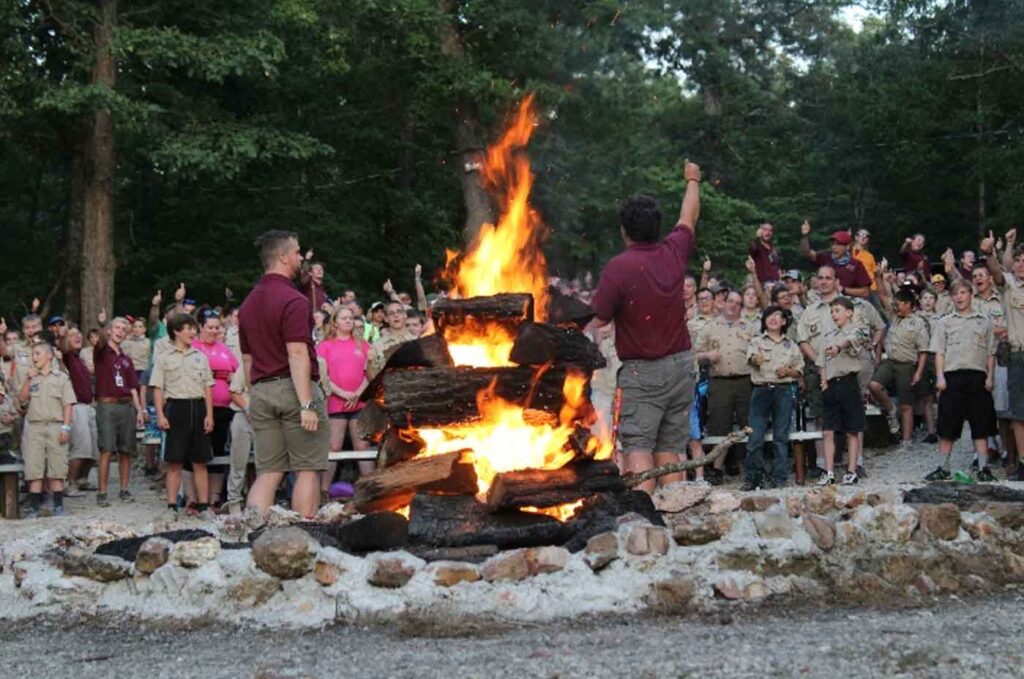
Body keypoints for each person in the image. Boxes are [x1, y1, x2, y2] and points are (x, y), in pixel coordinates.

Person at [590, 160, 701, 494]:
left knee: (638, 444)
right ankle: (675, 509)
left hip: (643, 373)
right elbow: (689, 216)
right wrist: (693, 180)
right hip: (682, 365)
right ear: (657, 227)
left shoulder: (619, 268)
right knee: (670, 445)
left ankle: (644, 516)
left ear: (624, 230)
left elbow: (599, 317)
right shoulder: (674, 252)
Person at [238, 230, 329, 518]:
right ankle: (304, 536)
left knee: (269, 471)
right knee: (307, 469)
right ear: (283, 256)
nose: (300, 257)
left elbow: (247, 357)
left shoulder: (248, 303)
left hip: (262, 391)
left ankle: (251, 532)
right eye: (298, 252)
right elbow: (297, 353)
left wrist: (254, 398)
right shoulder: (294, 300)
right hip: (294, 390)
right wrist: (306, 404)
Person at [925, 281, 997, 481]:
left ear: (970, 295)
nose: (959, 297)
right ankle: (942, 466)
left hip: (977, 376)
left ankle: (983, 468)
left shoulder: (984, 321)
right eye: (955, 294)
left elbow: (990, 352)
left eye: (963, 292)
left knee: (980, 424)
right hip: (952, 376)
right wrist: (940, 376)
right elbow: (939, 351)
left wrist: (990, 376)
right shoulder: (945, 322)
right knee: (948, 425)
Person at [150, 312, 215, 520]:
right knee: (175, 461)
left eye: (193, 328)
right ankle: (171, 507)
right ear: (177, 331)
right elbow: (158, 388)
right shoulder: (164, 358)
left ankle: (204, 506)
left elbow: (207, 387)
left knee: (200, 461)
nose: (192, 332)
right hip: (176, 408)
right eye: (188, 328)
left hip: (198, 407)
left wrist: (209, 415)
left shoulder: (200, 357)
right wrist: (160, 414)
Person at [694, 290, 754, 484]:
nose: (733, 305)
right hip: (719, 382)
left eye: (737, 302)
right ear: (723, 303)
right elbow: (694, 353)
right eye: (730, 301)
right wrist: (707, 355)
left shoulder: (750, 327)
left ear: (741, 306)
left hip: (746, 381)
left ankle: (751, 468)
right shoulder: (710, 327)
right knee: (720, 425)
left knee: (749, 425)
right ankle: (717, 469)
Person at [743, 306, 803, 490]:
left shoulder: (791, 345)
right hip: (761, 391)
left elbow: (798, 371)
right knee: (755, 437)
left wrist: (788, 371)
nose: (773, 319)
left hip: (783, 391)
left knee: (781, 438)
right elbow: (752, 358)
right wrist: (756, 359)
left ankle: (779, 478)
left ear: (784, 322)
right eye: (769, 315)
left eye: (778, 316)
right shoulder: (756, 342)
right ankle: (752, 479)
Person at [316, 306, 373, 491]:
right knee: (333, 447)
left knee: (362, 446)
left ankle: (372, 490)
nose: (348, 321)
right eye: (344, 318)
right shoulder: (324, 346)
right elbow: (323, 377)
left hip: (360, 400)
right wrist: (343, 393)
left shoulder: (362, 344)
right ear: (335, 322)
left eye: (350, 318)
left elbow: (369, 372)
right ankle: (323, 491)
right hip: (335, 401)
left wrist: (358, 393)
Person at [18, 342, 76, 518]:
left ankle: (58, 506)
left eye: (37, 353)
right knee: (34, 467)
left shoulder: (61, 378)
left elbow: (67, 405)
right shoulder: (31, 377)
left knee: (57, 466)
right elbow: (21, 400)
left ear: (49, 356)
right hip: (35, 426)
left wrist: (66, 427)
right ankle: (34, 507)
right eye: (33, 354)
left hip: (55, 426)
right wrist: (28, 379)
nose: (34, 357)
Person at [93, 313, 145, 506]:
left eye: (124, 330)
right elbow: (98, 341)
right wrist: (101, 323)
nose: (120, 332)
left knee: (126, 450)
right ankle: (102, 492)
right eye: (117, 328)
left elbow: (133, 386)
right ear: (109, 331)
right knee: (107, 449)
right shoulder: (101, 352)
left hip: (126, 405)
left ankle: (124, 489)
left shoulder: (126, 359)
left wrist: (139, 409)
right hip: (107, 404)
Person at [984, 229, 1024, 480]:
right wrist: (989, 253)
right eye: (1018, 260)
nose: (1021, 264)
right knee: (1019, 413)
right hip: (1019, 355)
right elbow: (996, 274)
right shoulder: (1010, 285)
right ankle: (1022, 462)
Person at [817, 297, 869, 486]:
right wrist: (823, 381)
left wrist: (839, 347)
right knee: (828, 430)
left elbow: (852, 341)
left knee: (851, 430)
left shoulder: (856, 330)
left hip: (848, 383)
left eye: (837, 310)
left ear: (849, 312)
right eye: (832, 311)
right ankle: (829, 472)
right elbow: (821, 361)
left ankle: (851, 471)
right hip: (831, 385)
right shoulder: (826, 334)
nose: (834, 314)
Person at [869, 288, 930, 448]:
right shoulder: (894, 317)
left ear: (908, 304)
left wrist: (918, 373)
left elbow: (923, 351)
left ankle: (906, 440)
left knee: (906, 404)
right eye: (895, 304)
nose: (895, 307)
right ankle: (890, 408)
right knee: (874, 385)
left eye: (899, 304)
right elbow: (882, 296)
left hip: (907, 365)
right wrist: (878, 276)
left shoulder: (918, 323)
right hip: (890, 362)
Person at [193, 308, 239, 507]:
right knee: (197, 453)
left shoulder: (224, 348)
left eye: (217, 327)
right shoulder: (194, 347)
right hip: (200, 406)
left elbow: (237, 371)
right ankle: (193, 498)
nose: (213, 331)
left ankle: (214, 498)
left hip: (224, 406)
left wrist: (230, 377)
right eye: (209, 327)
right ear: (201, 327)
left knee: (220, 451)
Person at [61, 327, 98, 495]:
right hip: (76, 407)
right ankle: (69, 483)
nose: (77, 337)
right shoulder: (67, 356)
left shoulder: (79, 358)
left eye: (78, 334)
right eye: (71, 335)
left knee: (93, 448)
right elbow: (62, 347)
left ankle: (81, 479)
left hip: (89, 405)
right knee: (81, 448)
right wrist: (62, 335)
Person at [799, 222, 871, 298]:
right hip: (823, 300)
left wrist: (843, 289)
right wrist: (805, 236)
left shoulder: (856, 264)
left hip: (847, 303)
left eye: (838, 244)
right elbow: (806, 252)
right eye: (832, 244)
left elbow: (865, 292)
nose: (834, 247)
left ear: (847, 247)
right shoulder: (825, 257)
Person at [367, 301, 415, 379]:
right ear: (386, 319)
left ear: (405, 315)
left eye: (399, 312)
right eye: (391, 313)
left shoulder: (417, 341)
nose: (396, 315)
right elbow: (371, 376)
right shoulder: (377, 346)